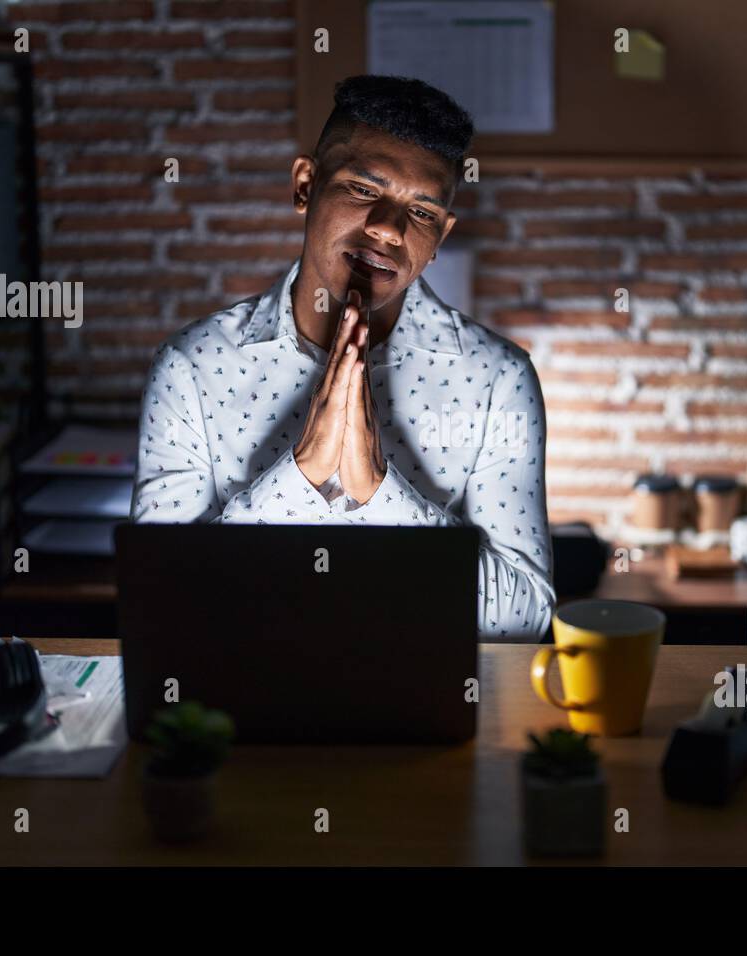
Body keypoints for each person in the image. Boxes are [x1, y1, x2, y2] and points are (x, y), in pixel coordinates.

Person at [131, 74, 556, 641]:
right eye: (361, 189)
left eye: (422, 213)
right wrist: (300, 476)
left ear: (440, 236)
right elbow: (161, 604)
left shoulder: (497, 378)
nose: (387, 229)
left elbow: (524, 619)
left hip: (421, 684)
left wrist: (380, 494)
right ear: (305, 185)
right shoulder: (191, 366)